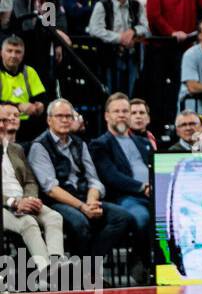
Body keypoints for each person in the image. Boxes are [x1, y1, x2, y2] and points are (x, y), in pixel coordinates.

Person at [28, 98, 135, 279]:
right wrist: (82, 207)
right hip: (57, 202)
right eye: (59, 116)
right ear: (49, 120)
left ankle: (87, 271)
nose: (65, 120)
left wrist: (92, 201)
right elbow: (50, 188)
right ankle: (83, 276)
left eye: (69, 116)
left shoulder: (80, 143)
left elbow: (94, 179)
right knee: (80, 224)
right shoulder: (39, 146)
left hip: (84, 197)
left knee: (122, 217)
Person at [89, 93, 154, 282]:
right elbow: (111, 176)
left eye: (125, 111)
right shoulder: (99, 144)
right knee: (142, 218)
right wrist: (143, 187)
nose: (121, 115)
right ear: (107, 116)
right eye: (116, 111)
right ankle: (138, 260)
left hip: (152, 195)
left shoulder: (144, 142)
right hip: (124, 198)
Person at [0, 100, 64, 276]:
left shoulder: (15, 149)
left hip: (23, 200)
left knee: (54, 217)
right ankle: (46, 272)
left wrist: (29, 198)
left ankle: (56, 264)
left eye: (5, 121)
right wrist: (14, 203)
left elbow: (30, 180)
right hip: (5, 204)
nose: (3, 124)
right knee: (27, 222)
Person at [87, 0, 149, 95]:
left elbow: (146, 27)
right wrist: (119, 38)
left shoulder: (136, 5)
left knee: (131, 93)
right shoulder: (102, 5)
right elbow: (94, 29)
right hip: (109, 57)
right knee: (111, 94)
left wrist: (133, 31)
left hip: (132, 56)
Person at [0, 36, 49, 142]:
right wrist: (19, 106)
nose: (13, 55)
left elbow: (42, 98)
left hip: (26, 125)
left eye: (18, 52)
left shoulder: (29, 72)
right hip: (2, 123)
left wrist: (40, 106)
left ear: (23, 55)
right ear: (1, 53)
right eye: (9, 51)